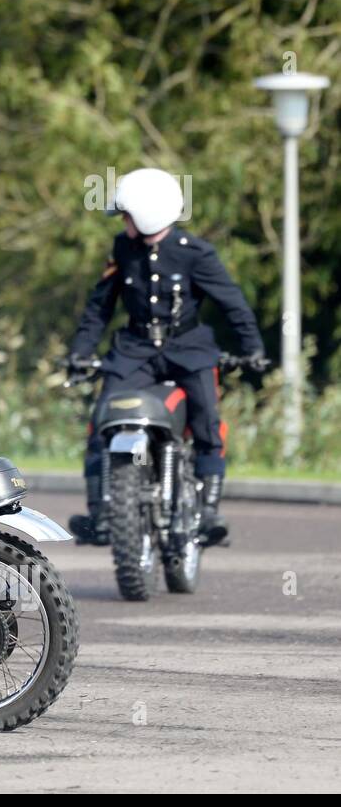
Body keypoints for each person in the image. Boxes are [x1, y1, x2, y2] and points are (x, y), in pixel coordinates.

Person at [67, 167, 268, 547]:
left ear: (145, 214)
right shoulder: (122, 249)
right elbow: (99, 307)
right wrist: (80, 353)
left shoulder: (196, 253)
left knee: (208, 421)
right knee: (102, 420)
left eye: (126, 215)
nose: (122, 222)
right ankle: (100, 514)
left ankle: (208, 513)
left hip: (189, 350)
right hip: (134, 350)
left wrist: (253, 348)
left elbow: (233, 304)